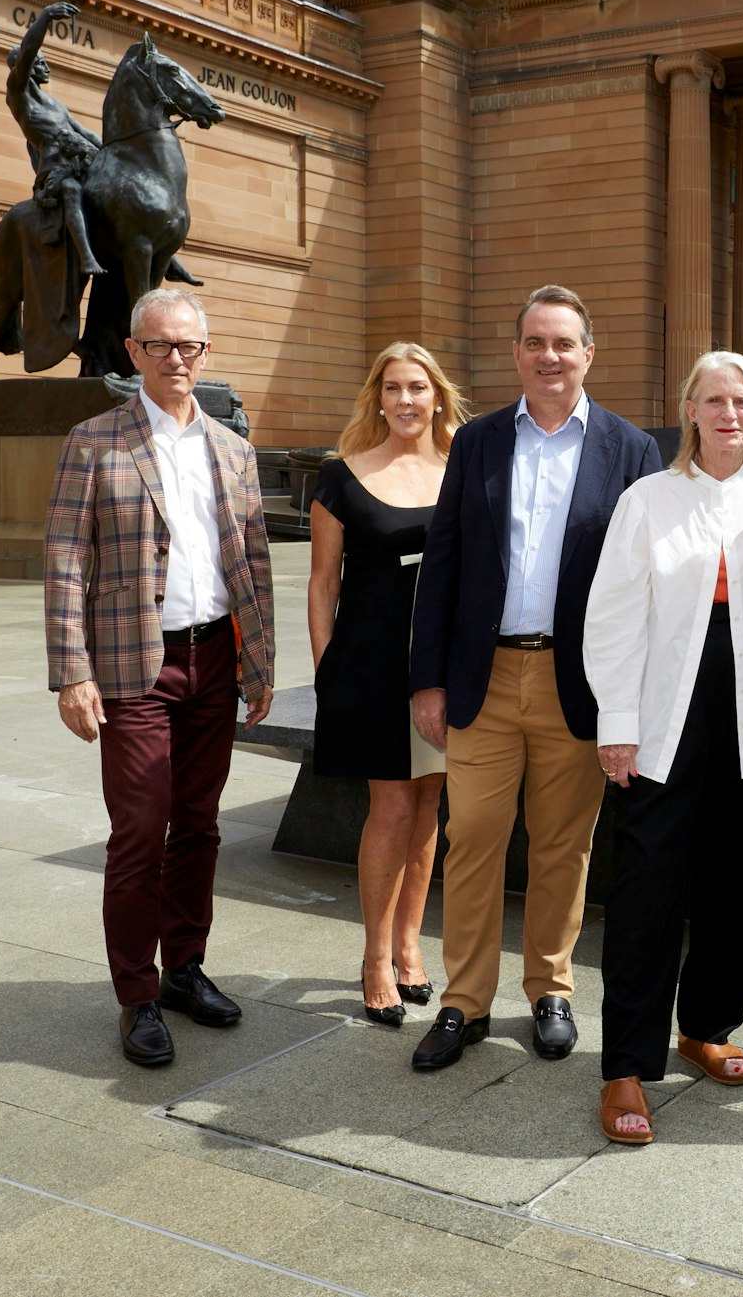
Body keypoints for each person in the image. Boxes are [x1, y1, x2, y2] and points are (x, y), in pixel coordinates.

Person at [407, 285, 660, 1072]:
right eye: (535, 342)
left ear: (590, 352)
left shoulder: (630, 449)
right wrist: (427, 679)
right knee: (473, 839)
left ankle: (551, 988)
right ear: (516, 352)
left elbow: (646, 583)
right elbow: (441, 563)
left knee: (563, 845)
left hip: (576, 683)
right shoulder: (477, 442)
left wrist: (633, 696)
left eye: (564, 343)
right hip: (482, 677)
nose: (549, 356)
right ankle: (464, 1001)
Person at [44, 289, 274, 1067]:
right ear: (135, 353)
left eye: (191, 347)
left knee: (200, 823)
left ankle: (185, 968)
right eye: (162, 345)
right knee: (141, 828)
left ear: (206, 354)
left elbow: (254, 561)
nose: (178, 359)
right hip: (133, 661)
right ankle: (136, 993)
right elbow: (65, 561)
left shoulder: (233, 448)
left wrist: (259, 660)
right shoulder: (93, 442)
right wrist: (72, 672)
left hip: (215, 656)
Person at [583, 352, 743, 1145]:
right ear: (690, 410)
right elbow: (611, 615)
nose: (728, 413)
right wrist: (617, 721)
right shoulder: (648, 498)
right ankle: (624, 1064)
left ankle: (705, 1026)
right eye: (713, 399)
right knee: (646, 890)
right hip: (664, 717)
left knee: (738, 886)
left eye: (741, 401)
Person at [309, 343, 465, 1027]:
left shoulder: (463, 470)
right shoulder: (340, 477)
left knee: (431, 805)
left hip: (444, 665)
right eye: (394, 387)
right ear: (378, 397)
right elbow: (322, 582)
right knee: (393, 808)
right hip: (370, 663)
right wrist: (325, 670)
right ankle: (375, 956)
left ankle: (410, 944)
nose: (407, 400)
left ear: (437, 397)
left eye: (418, 387)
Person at [7, 0, 106, 279]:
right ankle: (87, 258)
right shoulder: (19, 95)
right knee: (72, 190)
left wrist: (111, 150)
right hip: (53, 170)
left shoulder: (55, 105)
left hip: (82, 161)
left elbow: (84, 132)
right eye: (41, 62)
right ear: (25, 67)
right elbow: (27, 50)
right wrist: (46, 17)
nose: (46, 66)